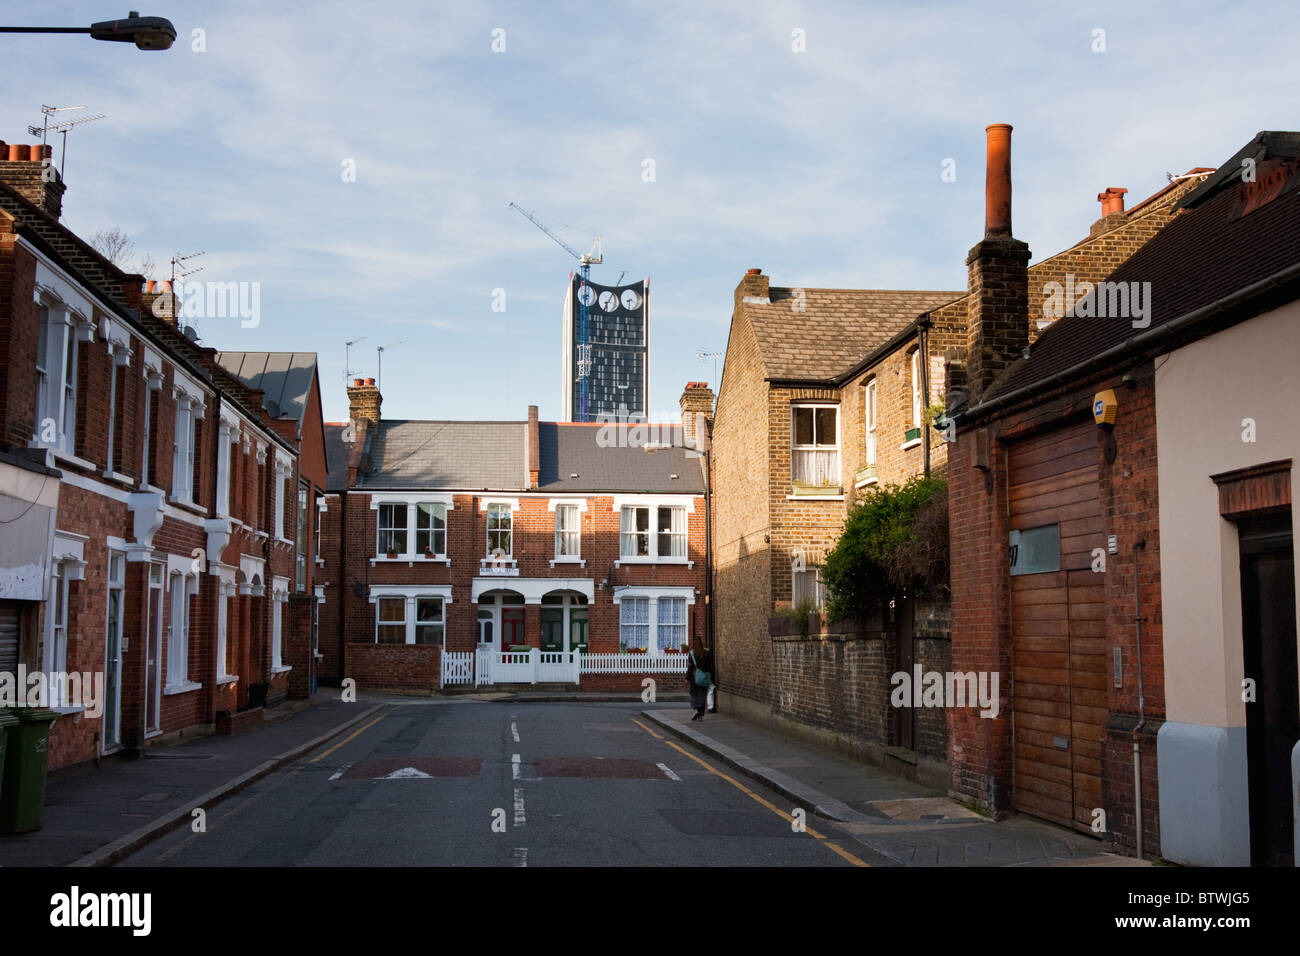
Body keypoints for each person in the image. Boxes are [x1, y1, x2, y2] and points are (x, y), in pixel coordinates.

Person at [686, 645, 715, 721]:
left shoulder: (692, 654)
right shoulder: (706, 653)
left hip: (694, 678)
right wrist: (710, 677)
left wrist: (687, 677)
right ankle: (700, 714)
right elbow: (710, 666)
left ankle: (697, 710)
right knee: (702, 695)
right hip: (704, 678)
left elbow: (690, 667)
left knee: (694, 694)